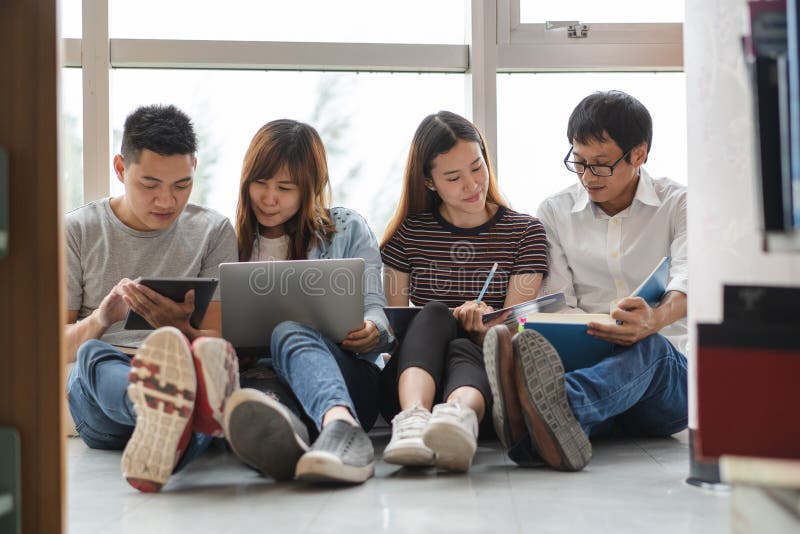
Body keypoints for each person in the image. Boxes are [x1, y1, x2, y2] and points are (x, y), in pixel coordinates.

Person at [483, 90, 688, 472]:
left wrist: (652, 321)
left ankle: (552, 411)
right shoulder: (555, 211)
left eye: (601, 165)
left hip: (667, 387)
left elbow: (691, 279)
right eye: (578, 162)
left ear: (639, 154)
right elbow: (561, 302)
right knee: (532, 336)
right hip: (598, 380)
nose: (587, 176)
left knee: (652, 349)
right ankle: (553, 427)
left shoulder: (678, 203)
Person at [65, 104, 240, 492]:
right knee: (94, 355)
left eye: (182, 185)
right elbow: (54, 349)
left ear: (195, 166)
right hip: (102, 398)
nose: (167, 201)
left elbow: (220, 343)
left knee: (201, 356)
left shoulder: (213, 231)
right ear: (120, 169)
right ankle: (162, 411)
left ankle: (169, 426)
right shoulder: (78, 230)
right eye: (150, 185)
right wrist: (100, 320)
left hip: (189, 377)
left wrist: (178, 327)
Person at [222, 119, 393, 484]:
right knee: (254, 402)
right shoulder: (227, 242)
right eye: (261, 184)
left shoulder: (346, 228)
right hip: (264, 379)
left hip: (346, 380)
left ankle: (341, 427)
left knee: (287, 331)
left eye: (285, 188)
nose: (269, 199)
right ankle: (295, 441)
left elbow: (375, 306)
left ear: (309, 188)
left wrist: (372, 329)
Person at [379, 111, 549, 472]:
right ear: (428, 182)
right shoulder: (407, 236)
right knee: (437, 312)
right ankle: (413, 421)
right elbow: (396, 327)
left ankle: (458, 419)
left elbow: (515, 330)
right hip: (411, 387)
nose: (472, 185)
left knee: (464, 344)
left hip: (491, 390)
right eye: (454, 177)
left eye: (477, 167)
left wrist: (484, 329)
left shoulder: (526, 233)